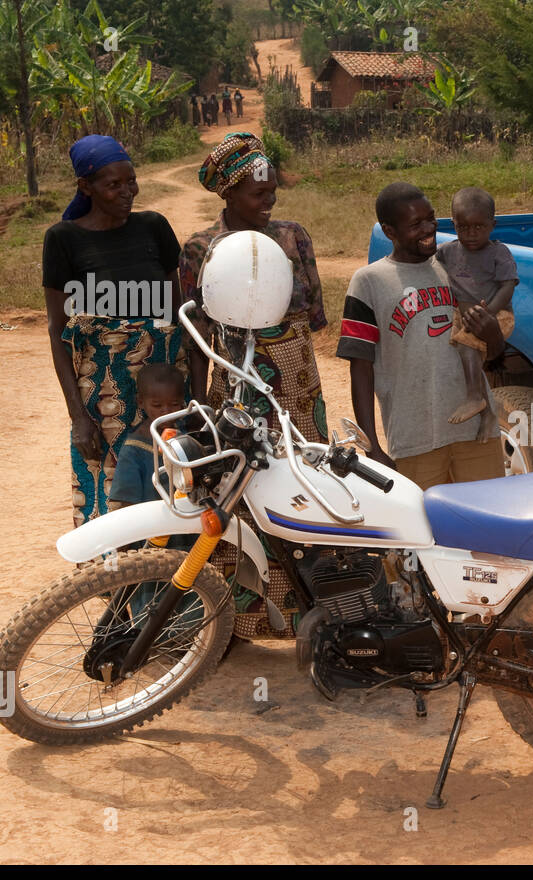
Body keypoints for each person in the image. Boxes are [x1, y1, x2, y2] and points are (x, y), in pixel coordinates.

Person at [180, 131, 330, 639]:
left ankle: (310, 619)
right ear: (228, 193)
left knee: (306, 493)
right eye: (257, 193)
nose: (269, 201)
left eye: (272, 191)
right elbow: (197, 334)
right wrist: (199, 403)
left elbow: (313, 317)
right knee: (240, 500)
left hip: (300, 396)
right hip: (238, 394)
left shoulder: (294, 238)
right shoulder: (201, 249)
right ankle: (240, 625)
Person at [42, 134, 198, 528]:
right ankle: (116, 586)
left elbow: (177, 314)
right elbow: (58, 333)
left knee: (178, 488)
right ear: (86, 187)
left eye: (131, 181)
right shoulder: (63, 239)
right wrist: (78, 416)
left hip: (164, 394)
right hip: (102, 401)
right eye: (114, 185)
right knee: (111, 498)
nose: (127, 191)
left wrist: (194, 399)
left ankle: (182, 583)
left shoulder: (154, 228)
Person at [337, 182, 506, 490]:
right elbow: (360, 367)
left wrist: (493, 335)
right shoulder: (369, 282)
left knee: (487, 529)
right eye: (416, 224)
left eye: (431, 218)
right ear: (390, 231)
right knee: (424, 532)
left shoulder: (457, 266)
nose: (429, 228)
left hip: (477, 434)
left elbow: (492, 357)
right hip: (415, 439)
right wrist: (371, 445)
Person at [434, 186, 517, 440]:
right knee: (467, 354)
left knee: (466, 347)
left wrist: (488, 313)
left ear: (493, 224)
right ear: (453, 224)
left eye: (479, 227)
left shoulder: (498, 253)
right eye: (463, 227)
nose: (471, 234)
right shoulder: (448, 251)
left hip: (497, 314)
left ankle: (474, 398)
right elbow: (427, 266)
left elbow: (508, 285)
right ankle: (487, 411)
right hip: (465, 315)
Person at [108, 363, 189, 545]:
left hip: (185, 537)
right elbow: (124, 505)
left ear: (183, 401)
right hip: (149, 541)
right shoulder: (134, 449)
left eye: (174, 404)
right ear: (140, 402)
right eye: (157, 405)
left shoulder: (186, 438)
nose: (166, 412)